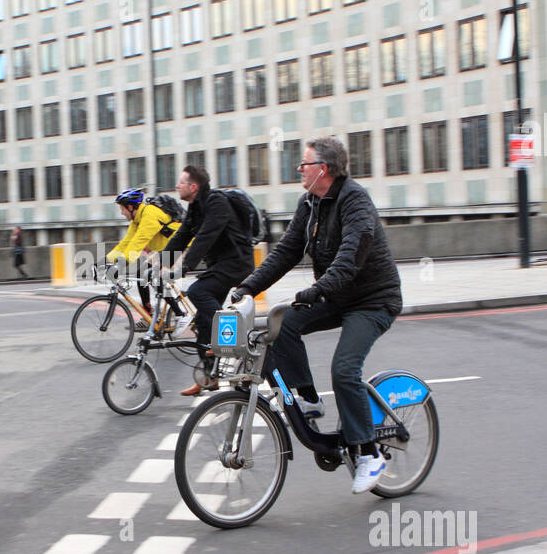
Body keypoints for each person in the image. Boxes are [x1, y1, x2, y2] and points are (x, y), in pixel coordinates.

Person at [230, 136, 403, 494]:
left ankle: (369, 453)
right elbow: (285, 253)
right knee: (284, 323)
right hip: (337, 295)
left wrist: (318, 289)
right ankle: (308, 397)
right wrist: (247, 286)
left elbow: (351, 257)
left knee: (344, 370)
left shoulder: (355, 201)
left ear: (322, 169)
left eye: (303, 164)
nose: (299, 170)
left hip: (372, 300)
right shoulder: (309, 203)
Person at [159, 165, 255, 396]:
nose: (177, 186)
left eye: (181, 182)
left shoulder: (216, 202)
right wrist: (158, 262)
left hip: (237, 263)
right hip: (220, 265)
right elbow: (183, 235)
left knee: (197, 291)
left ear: (194, 186)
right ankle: (210, 378)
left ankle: (234, 337)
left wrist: (184, 267)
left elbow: (205, 236)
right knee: (202, 322)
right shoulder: (195, 207)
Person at [106, 188, 178, 331]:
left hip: (182, 248)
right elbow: (125, 244)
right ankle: (148, 316)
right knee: (141, 273)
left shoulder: (149, 215)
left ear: (131, 207)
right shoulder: (136, 220)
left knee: (153, 276)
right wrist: (104, 261)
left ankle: (180, 313)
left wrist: (119, 266)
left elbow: (137, 245)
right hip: (164, 251)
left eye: (122, 209)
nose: (122, 213)